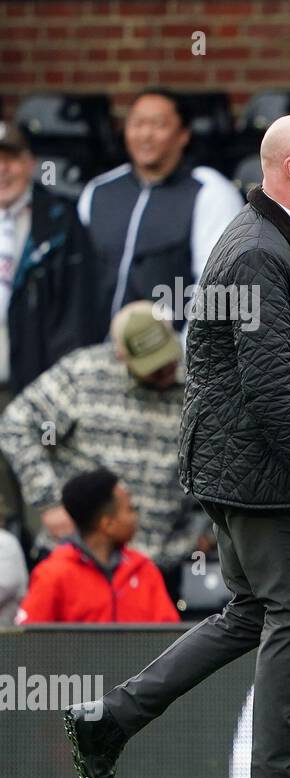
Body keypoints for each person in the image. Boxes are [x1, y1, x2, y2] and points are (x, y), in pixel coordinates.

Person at [62, 115, 290, 778]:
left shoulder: (281, 238)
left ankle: (111, 719)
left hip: (243, 463)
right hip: (254, 468)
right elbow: (267, 388)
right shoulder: (260, 249)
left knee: (250, 612)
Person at [0, 301, 192, 580]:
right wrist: (49, 501)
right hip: (78, 560)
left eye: (167, 358)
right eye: (152, 366)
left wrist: (200, 534)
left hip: (156, 568)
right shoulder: (83, 373)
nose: (165, 371)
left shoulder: (195, 377)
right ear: (121, 356)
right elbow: (16, 426)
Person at [0, 119, 104, 533]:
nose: (2, 170)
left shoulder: (60, 222)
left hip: (38, 389)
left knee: (43, 507)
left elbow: (77, 317)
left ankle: (43, 593)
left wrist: (59, 393)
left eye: (10, 158)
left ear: (29, 163)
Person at [78, 89, 244, 332]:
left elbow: (218, 286)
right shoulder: (98, 191)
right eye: (137, 123)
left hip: (168, 356)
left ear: (183, 134)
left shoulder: (210, 192)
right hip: (96, 353)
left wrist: (191, 357)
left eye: (159, 125)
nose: (146, 134)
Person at [16, 469, 179, 625]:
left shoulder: (144, 569)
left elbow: (170, 639)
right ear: (107, 524)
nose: (135, 518)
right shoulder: (52, 575)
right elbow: (29, 645)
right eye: (130, 510)